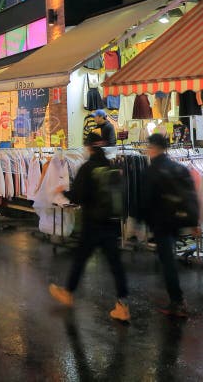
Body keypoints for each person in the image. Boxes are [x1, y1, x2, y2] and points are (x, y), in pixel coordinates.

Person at [48, 133, 130, 322]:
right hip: (111, 223)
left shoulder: (87, 168)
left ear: (88, 147)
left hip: (93, 224)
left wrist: (63, 192)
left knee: (80, 258)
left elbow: (78, 196)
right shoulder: (110, 166)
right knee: (116, 265)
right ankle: (123, 305)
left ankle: (68, 293)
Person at [144, 133, 191, 317]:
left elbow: (146, 199)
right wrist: (192, 221)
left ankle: (177, 301)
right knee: (168, 259)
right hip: (176, 221)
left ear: (154, 148)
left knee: (168, 262)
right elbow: (189, 195)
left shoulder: (152, 170)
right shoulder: (178, 167)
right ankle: (177, 299)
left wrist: (144, 220)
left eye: (149, 147)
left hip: (161, 223)